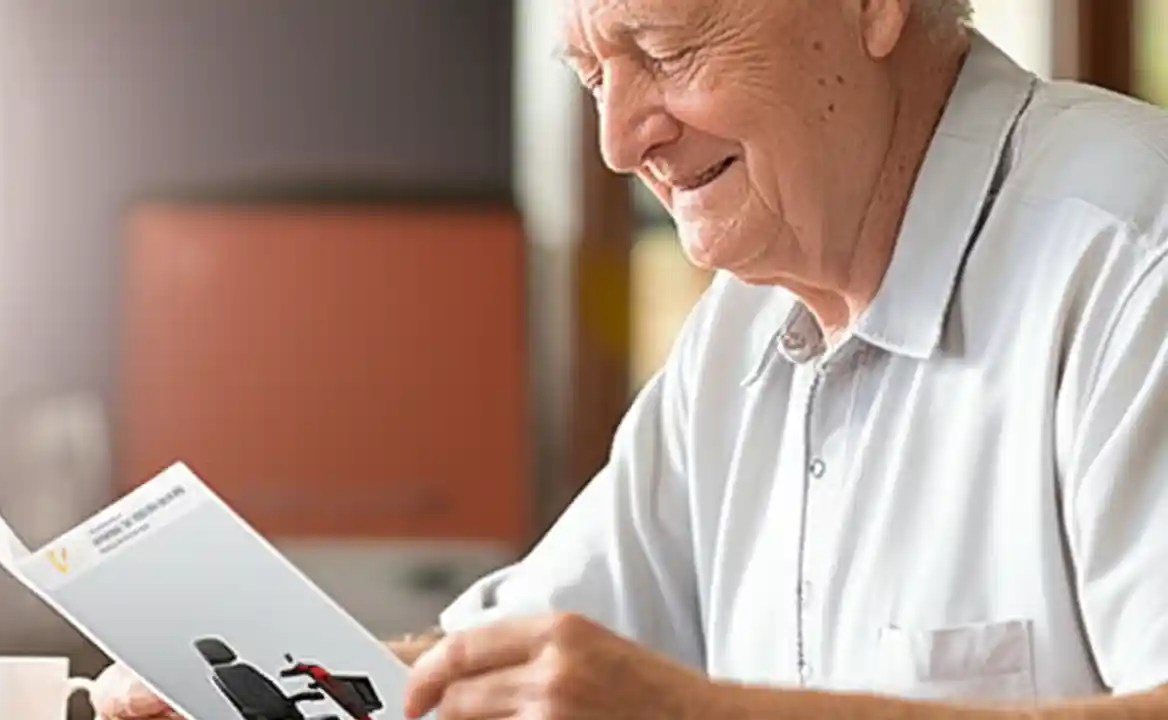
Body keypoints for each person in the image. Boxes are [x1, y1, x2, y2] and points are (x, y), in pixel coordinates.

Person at [95, 0, 1168, 718]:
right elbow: (535, 666)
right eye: (588, 77)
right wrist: (266, 694)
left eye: (662, 51)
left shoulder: (1133, 255)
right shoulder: (740, 333)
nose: (618, 141)